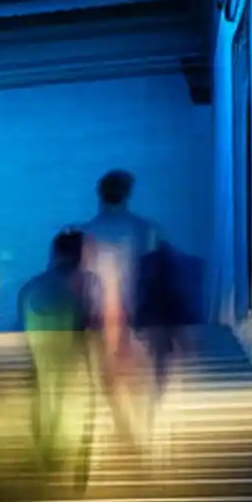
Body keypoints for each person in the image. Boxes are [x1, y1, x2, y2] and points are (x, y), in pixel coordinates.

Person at [18, 229, 102, 492]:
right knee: (79, 398)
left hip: (40, 345)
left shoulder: (31, 286)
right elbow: (93, 320)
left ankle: (45, 454)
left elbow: (23, 323)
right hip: (73, 345)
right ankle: (79, 457)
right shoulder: (87, 281)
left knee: (45, 394)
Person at [79, 170, 159, 445]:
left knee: (108, 370)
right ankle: (139, 428)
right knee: (139, 371)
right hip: (135, 310)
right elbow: (152, 273)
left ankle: (122, 425)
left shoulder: (89, 231)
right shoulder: (144, 229)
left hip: (102, 311)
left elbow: (86, 275)